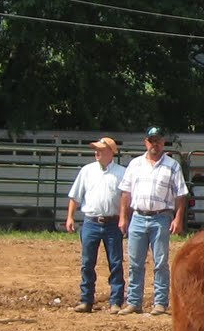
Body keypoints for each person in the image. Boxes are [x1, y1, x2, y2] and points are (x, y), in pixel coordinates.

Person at [116, 126, 189, 317]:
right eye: (151, 140)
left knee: (161, 262)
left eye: (157, 141)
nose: (154, 144)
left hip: (161, 217)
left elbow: (181, 195)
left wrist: (178, 218)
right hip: (138, 216)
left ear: (163, 142)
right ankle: (134, 301)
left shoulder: (172, 166)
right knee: (135, 262)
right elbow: (126, 192)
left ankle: (160, 303)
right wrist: (123, 216)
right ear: (145, 142)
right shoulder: (135, 164)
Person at [64, 136, 126, 314]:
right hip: (91, 220)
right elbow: (75, 196)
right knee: (87, 262)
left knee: (115, 262)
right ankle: (86, 299)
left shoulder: (121, 173)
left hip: (112, 222)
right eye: (96, 149)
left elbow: (125, 199)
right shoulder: (87, 171)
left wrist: (123, 218)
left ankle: (116, 301)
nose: (96, 152)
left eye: (100, 149)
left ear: (111, 152)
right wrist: (70, 217)